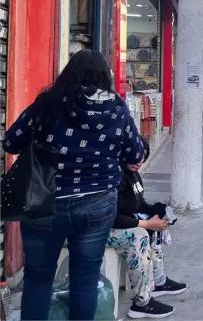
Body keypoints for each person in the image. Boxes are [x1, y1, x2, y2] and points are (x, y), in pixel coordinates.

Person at [2, 50, 145, 320]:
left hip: (43, 201)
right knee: (86, 277)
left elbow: (11, 141)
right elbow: (135, 153)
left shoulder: (48, 103)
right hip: (97, 202)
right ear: (104, 76)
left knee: (38, 278)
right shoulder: (116, 107)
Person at [107, 139, 187, 319]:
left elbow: (138, 204)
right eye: (135, 157)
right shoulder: (115, 175)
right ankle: (142, 303)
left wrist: (157, 212)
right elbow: (111, 216)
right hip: (102, 229)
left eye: (142, 158)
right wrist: (146, 224)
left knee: (153, 225)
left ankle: (158, 281)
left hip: (120, 223)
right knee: (140, 235)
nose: (138, 162)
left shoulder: (133, 174)